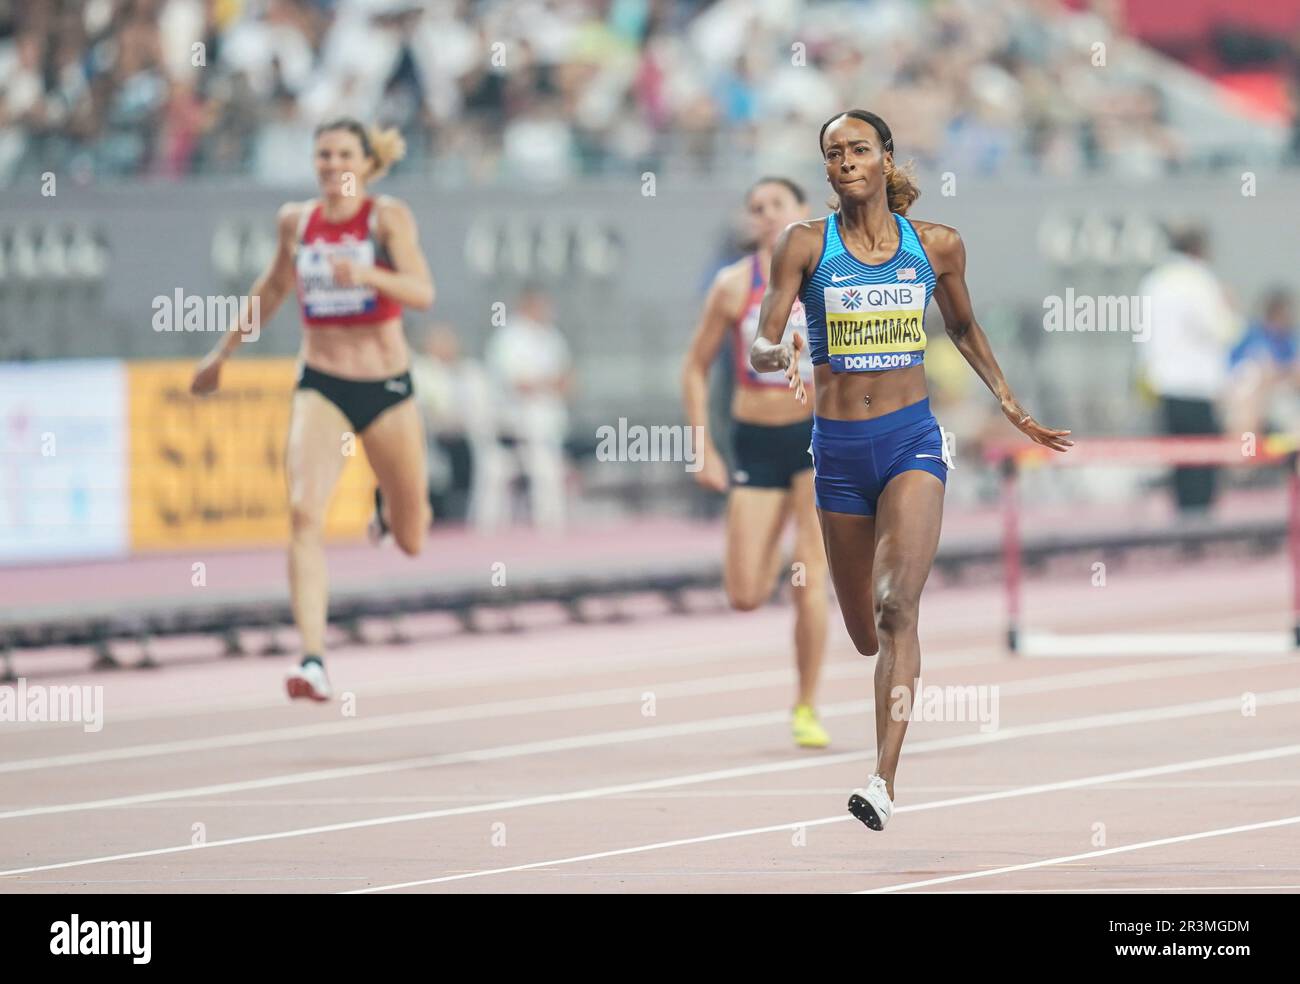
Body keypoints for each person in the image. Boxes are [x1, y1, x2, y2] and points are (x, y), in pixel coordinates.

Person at [750, 109, 1072, 831]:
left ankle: (883, 779)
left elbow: (962, 327)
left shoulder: (937, 246)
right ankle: (880, 708)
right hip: (835, 452)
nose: (845, 162)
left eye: (859, 149)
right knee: (865, 631)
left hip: (911, 444)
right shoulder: (803, 246)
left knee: (900, 607)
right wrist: (773, 354)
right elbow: (765, 338)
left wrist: (1012, 404)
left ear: (886, 157)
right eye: (833, 153)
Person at [190, 117, 435, 702]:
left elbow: (423, 292)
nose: (330, 163)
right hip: (321, 381)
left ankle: (385, 502)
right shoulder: (296, 222)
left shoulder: (387, 218)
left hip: (386, 386)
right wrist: (222, 352)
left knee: (412, 538)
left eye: (342, 153)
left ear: (363, 160)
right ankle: (313, 660)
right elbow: (272, 288)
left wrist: (369, 273)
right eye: (322, 154)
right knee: (303, 514)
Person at [682, 177, 832, 749]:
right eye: (756, 208)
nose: (766, 215)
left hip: (819, 441)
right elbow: (694, 367)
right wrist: (702, 445)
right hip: (754, 443)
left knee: (808, 579)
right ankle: (775, 547)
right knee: (745, 592)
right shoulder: (732, 285)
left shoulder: (831, 275)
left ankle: (806, 705)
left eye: (777, 205)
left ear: (803, 211)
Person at [1138, 225, 1237, 514]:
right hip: (1197, 386)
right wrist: (1229, 309)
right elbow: (1220, 330)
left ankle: (1184, 523)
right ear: (1199, 248)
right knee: (1203, 460)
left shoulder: (1154, 282)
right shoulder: (1198, 280)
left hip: (1165, 384)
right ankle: (1201, 525)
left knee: (1179, 459)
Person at [484, 287, 574, 529]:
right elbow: (516, 383)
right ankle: (506, 522)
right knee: (542, 463)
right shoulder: (508, 338)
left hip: (549, 419)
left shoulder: (552, 337)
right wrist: (547, 383)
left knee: (550, 466)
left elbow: (567, 380)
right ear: (527, 305)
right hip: (514, 422)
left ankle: (551, 521)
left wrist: (548, 384)